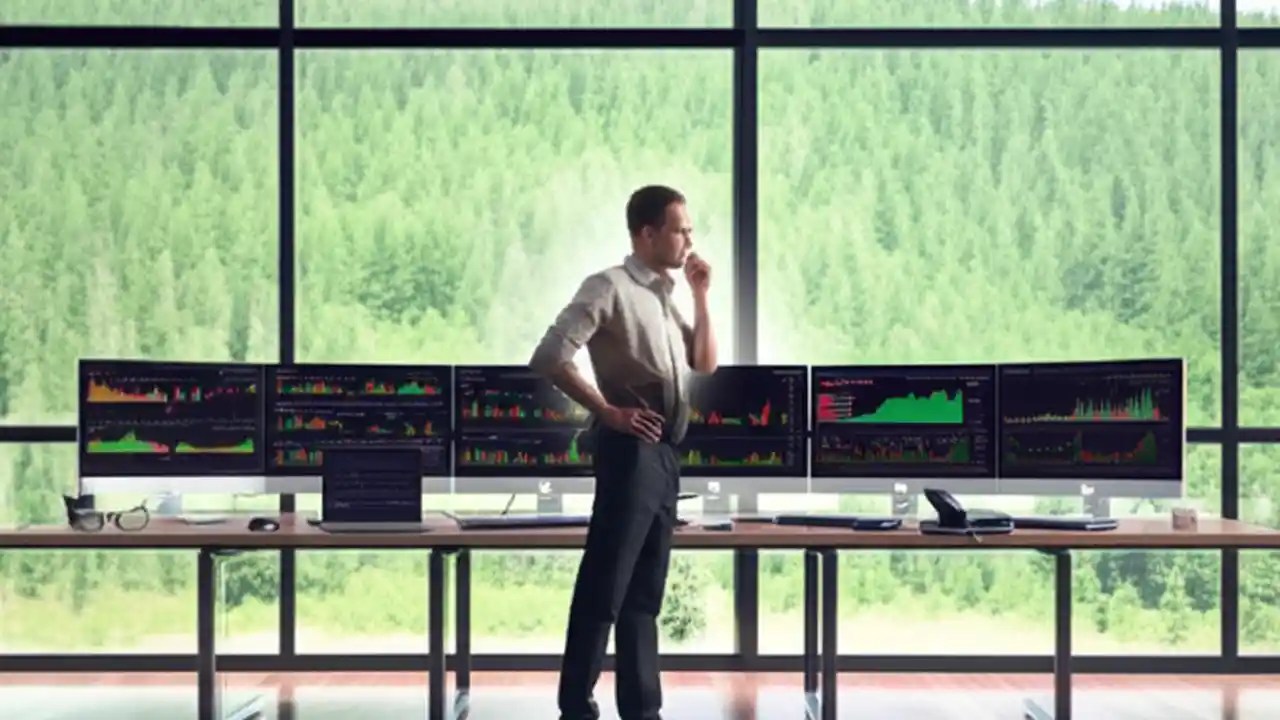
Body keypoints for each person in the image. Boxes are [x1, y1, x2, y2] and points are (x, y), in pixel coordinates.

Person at [529, 185, 718, 720]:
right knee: (605, 588)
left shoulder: (662, 294)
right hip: (628, 452)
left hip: (664, 456)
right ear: (647, 233)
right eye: (681, 229)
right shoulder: (609, 287)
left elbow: (703, 362)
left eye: (690, 230)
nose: (689, 239)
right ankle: (576, 708)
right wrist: (607, 411)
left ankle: (642, 710)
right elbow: (549, 355)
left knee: (644, 597)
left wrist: (702, 294)